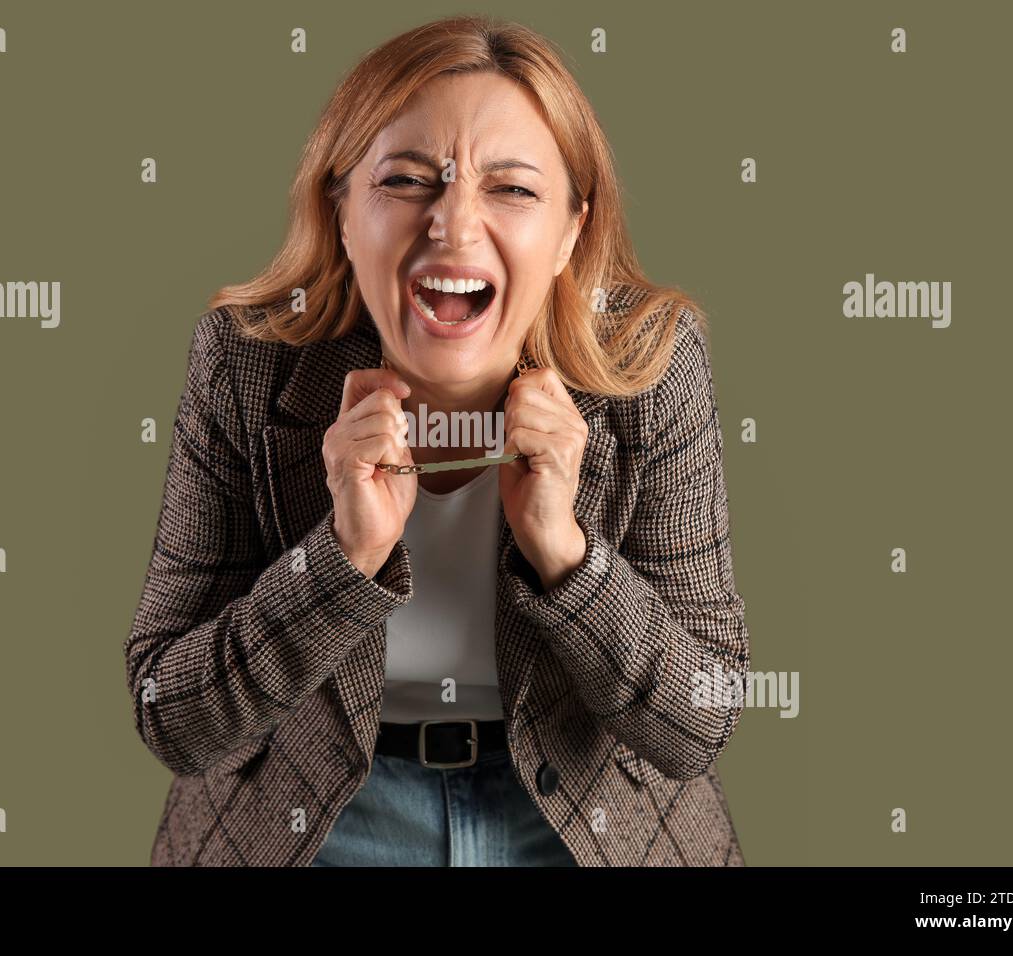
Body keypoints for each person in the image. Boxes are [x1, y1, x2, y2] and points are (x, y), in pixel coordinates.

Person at [125, 14, 750, 867]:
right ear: (341, 212)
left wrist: (569, 556)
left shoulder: (652, 364)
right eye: (409, 180)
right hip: (313, 821)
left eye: (514, 189)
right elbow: (172, 716)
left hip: (584, 818)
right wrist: (340, 562)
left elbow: (704, 718)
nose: (453, 226)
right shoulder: (246, 362)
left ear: (572, 229)